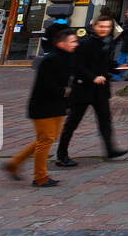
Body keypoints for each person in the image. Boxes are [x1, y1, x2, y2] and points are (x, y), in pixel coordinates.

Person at [4, 23, 78, 188]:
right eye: (72, 41)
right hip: (43, 106)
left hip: (57, 105)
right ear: (60, 43)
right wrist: (64, 91)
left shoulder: (68, 57)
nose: (75, 44)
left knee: (47, 138)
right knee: (46, 139)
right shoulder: (50, 60)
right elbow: (45, 86)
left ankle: (14, 163)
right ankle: (40, 177)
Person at [55, 11, 128, 167]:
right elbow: (77, 66)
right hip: (83, 89)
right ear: (95, 26)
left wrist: (118, 67)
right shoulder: (84, 43)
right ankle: (61, 154)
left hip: (101, 90)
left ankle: (111, 150)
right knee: (73, 123)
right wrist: (93, 77)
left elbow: (105, 63)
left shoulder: (108, 42)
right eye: (102, 26)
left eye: (108, 27)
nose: (105, 29)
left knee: (105, 121)